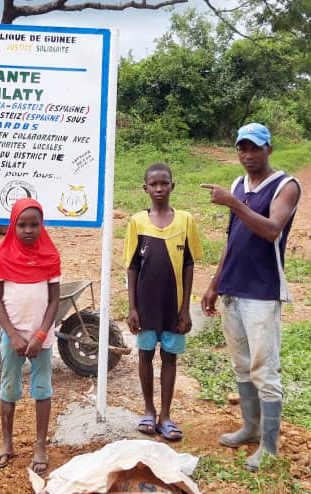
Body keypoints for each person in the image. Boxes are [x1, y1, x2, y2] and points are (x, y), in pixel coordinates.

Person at [200, 122, 301, 472]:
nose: (247, 155)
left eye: (255, 148)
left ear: (269, 149)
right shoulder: (238, 185)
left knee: (264, 368)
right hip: (233, 288)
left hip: (261, 290)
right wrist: (215, 283)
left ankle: (269, 446)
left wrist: (233, 203)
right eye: (242, 148)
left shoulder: (285, 186)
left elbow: (271, 230)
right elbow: (234, 238)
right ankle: (250, 427)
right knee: (242, 364)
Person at [124, 163, 203, 442]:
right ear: (145, 188)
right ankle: (148, 410)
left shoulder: (185, 221)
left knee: (170, 357)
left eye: (164, 183)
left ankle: (166, 415)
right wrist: (132, 307)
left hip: (174, 306)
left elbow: (189, 265)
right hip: (145, 307)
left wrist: (185, 309)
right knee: (145, 355)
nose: (159, 189)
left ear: (173, 185)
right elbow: (132, 267)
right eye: (153, 184)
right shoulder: (137, 222)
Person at [0, 198, 61, 476]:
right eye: (22, 225)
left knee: (42, 388)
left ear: (42, 225)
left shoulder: (50, 256)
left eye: (35, 224)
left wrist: (41, 334)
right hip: (13, 337)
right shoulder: (2, 256)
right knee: (9, 388)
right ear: (12, 226)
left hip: (42, 337)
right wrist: (13, 335)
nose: (29, 230)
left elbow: (54, 300)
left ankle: (40, 445)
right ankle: (7, 442)